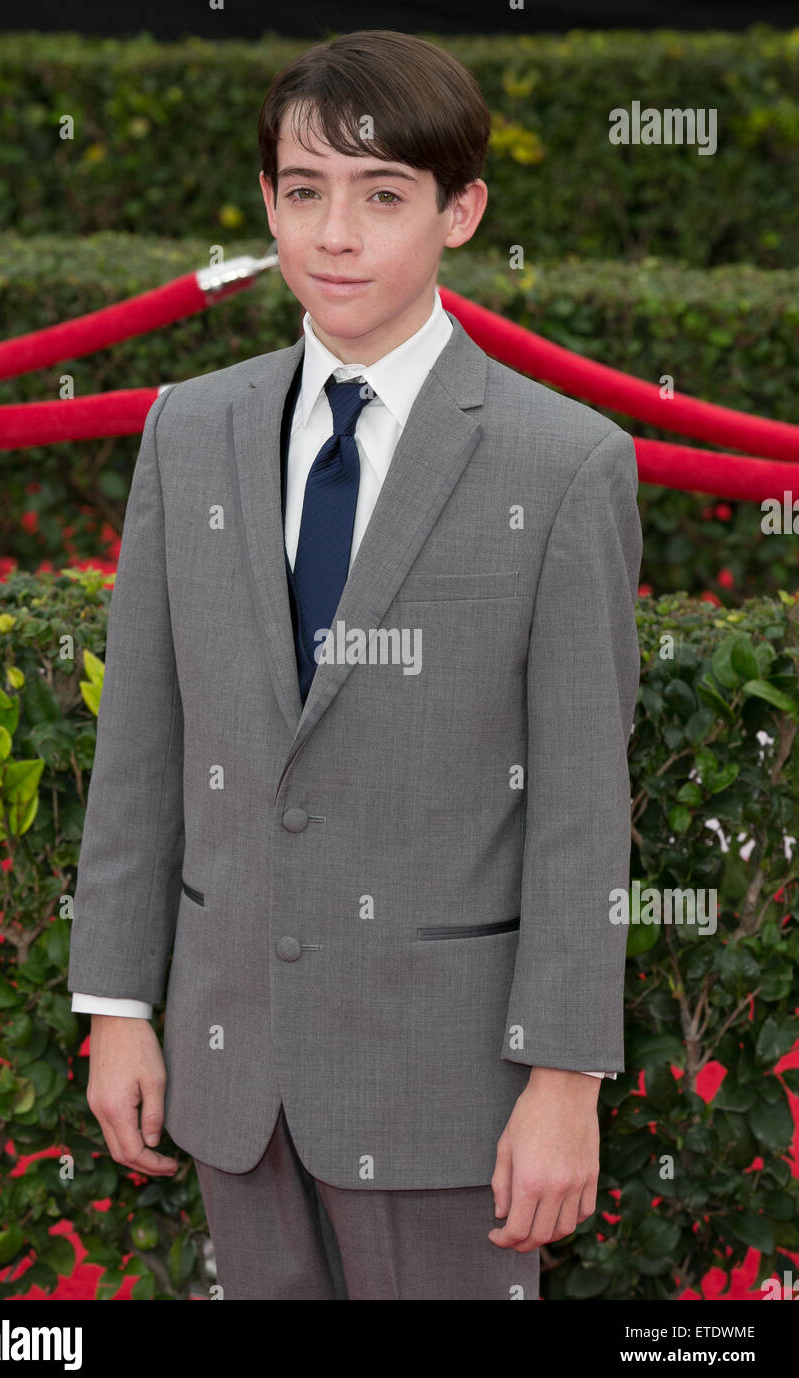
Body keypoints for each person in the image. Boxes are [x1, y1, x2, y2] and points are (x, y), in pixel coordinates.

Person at [68, 28, 642, 1301]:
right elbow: (144, 744)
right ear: (269, 202)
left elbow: (579, 810)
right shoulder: (189, 429)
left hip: (451, 1089)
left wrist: (563, 1080)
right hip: (233, 1070)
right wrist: (117, 1004)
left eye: (382, 196)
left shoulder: (564, 465)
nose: (336, 234)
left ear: (459, 212)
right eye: (304, 191)